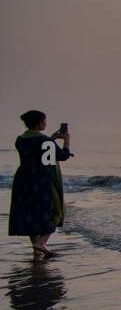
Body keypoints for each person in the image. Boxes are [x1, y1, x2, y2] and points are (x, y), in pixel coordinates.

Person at [8, 111, 72, 259]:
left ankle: (37, 251)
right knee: (56, 211)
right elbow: (61, 156)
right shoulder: (44, 141)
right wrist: (66, 141)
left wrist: (51, 139)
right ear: (39, 123)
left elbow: (39, 153)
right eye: (44, 121)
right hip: (41, 181)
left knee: (31, 213)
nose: (46, 123)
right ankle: (41, 243)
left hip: (23, 180)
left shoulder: (20, 139)